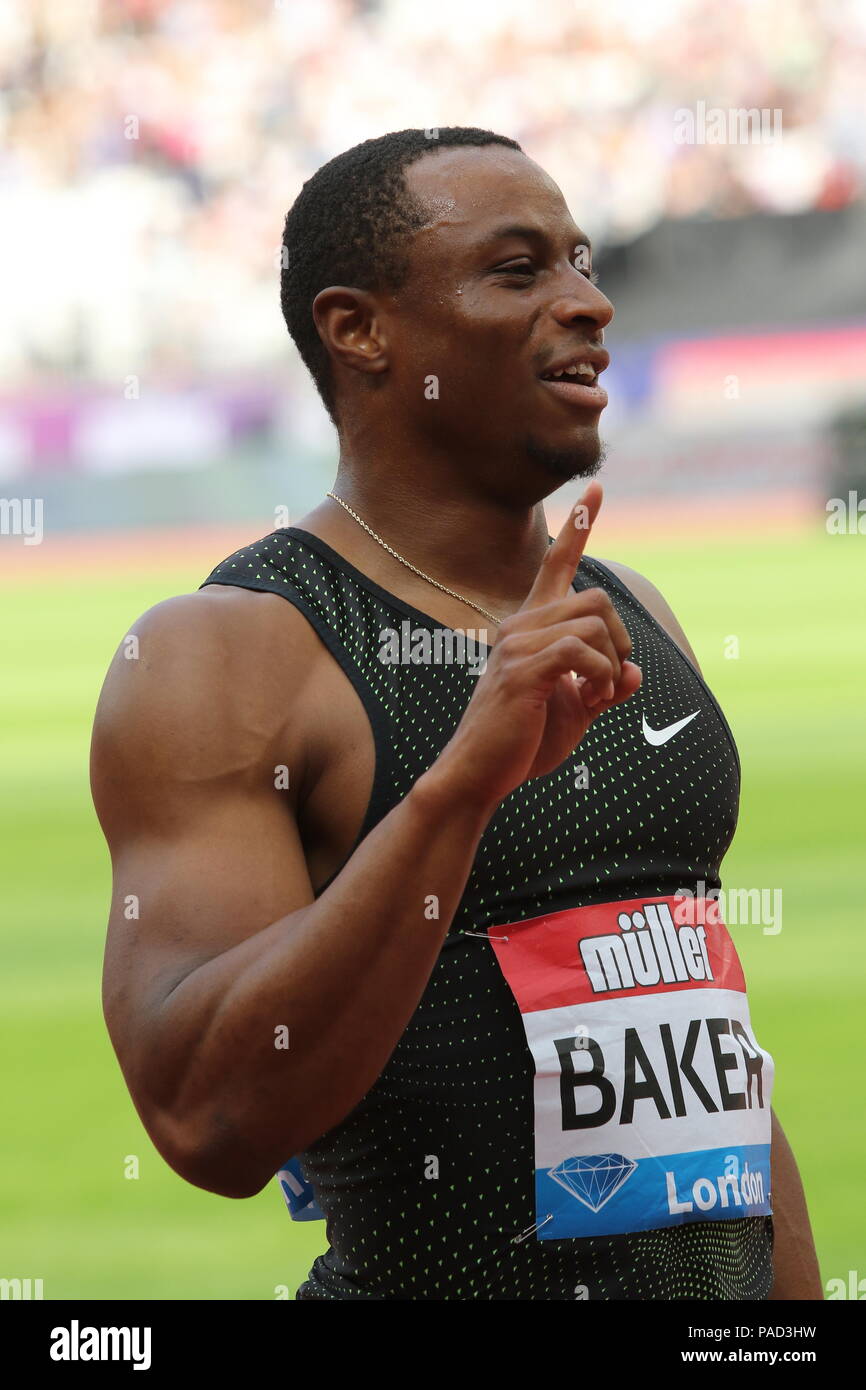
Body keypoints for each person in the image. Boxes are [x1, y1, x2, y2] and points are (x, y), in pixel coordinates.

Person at [91, 127, 821, 1300]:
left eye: (581, 263)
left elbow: (712, 1087)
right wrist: (461, 784)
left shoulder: (637, 613)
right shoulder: (227, 652)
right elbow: (204, 1115)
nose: (587, 302)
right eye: (518, 269)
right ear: (358, 329)